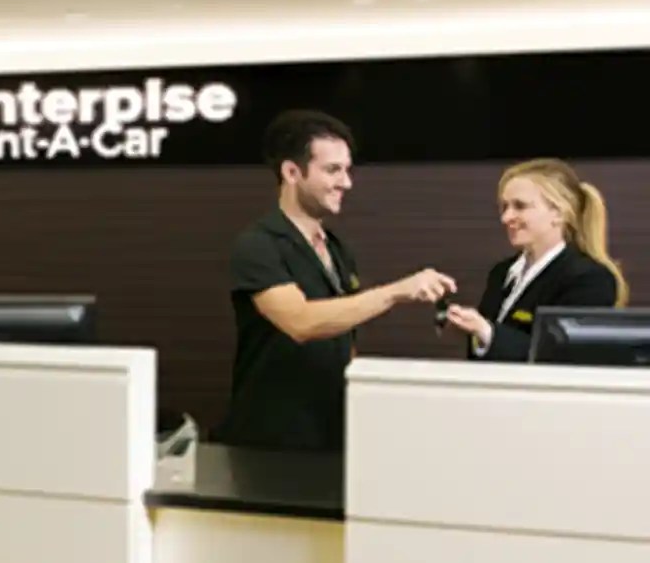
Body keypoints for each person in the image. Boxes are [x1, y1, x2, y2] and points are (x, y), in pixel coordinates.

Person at [218, 109, 457, 451]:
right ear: (291, 172)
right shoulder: (259, 245)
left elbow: (344, 338)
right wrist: (397, 292)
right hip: (271, 441)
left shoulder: (337, 248)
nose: (346, 182)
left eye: (347, 170)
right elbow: (301, 322)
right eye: (332, 170)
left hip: (331, 435)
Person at [446, 158, 628, 361]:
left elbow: (564, 359)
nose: (506, 217)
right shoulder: (501, 273)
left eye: (520, 206)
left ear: (558, 213)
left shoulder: (589, 279)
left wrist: (487, 332)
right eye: (504, 207)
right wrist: (477, 332)